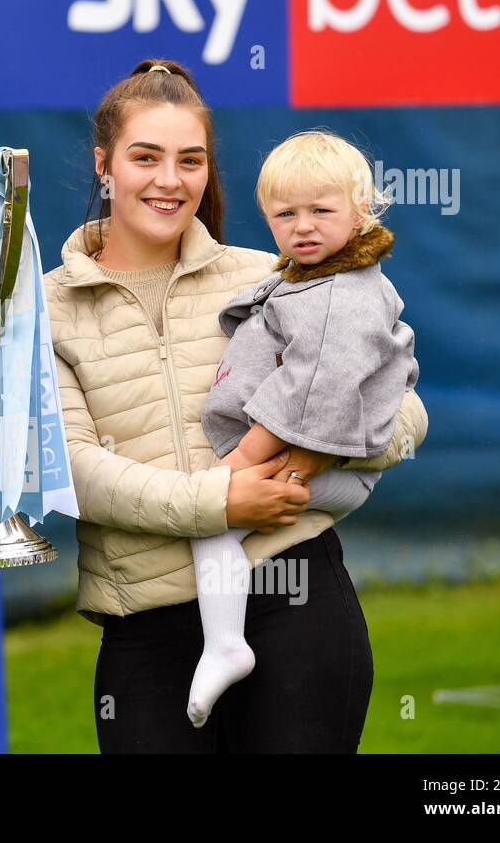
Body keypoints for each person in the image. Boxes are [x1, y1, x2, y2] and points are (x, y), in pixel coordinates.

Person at [43, 59, 429, 753]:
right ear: (105, 165)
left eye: (189, 160)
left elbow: (405, 411)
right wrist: (219, 504)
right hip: (144, 629)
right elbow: (73, 470)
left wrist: (306, 459)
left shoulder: (276, 275)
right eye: (145, 157)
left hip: (296, 602)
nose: (169, 180)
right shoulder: (46, 308)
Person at [187, 128, 418, 727]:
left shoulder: (345, 292)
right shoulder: (308, 278)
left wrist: (240, 464)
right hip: (304, 454)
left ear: (361, 210)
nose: (303, 226)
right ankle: (227, 642)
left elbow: (315, 386)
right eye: (285, 214)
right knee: (219, 528)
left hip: (325, 463)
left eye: (322, 210)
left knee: (212, 523)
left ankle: (224, 646)